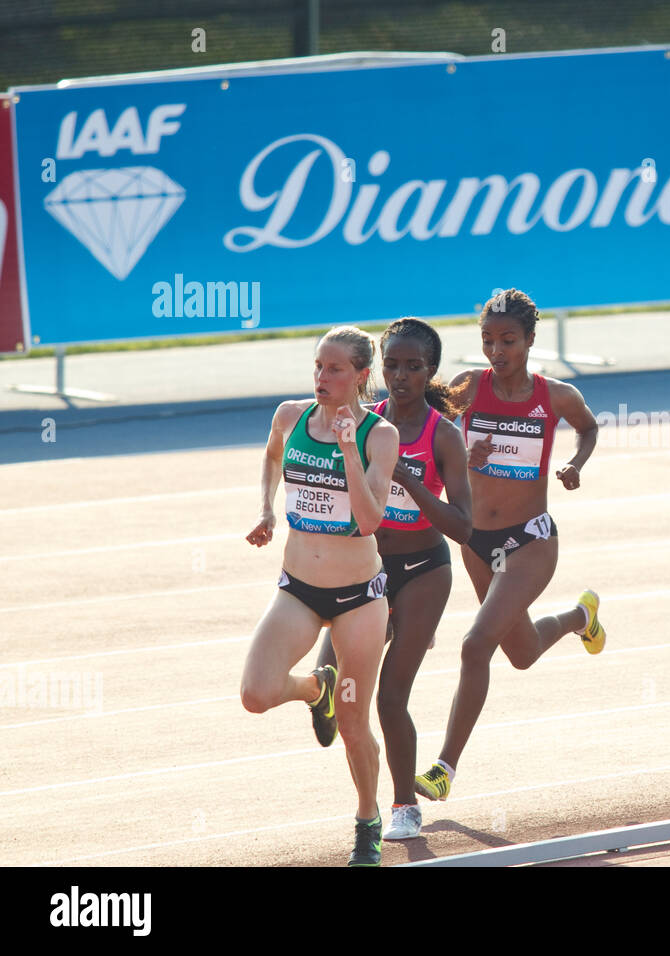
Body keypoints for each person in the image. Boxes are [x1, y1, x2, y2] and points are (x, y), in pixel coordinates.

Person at [412, 289, 603, 802]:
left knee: (476, 645)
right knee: (520, 654)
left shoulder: (557, 395)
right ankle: (580, 618)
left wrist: (574, 465)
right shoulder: (468, 387)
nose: (497, 351)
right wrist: (467, 448)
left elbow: (588, 429)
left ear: (530, 341)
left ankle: (443, 768)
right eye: (488, 340)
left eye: (508, 341)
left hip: (530, 540)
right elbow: (433, 434)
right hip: (476, 540)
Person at [241, 326, 400, 866]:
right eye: (317, 366)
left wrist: (349, 446)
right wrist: (266, 508)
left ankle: (367, 820)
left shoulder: (380, 435)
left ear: (361, 376)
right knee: (255, 694)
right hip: (299, 591)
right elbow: (269, 457)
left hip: (359, 599)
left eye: (334, 369)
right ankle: (315, 688)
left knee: (355, 727)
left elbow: (370, 518)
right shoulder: (290, 417)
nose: (321, 378)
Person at [311, 318, 473, 841]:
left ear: (430, 372)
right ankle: (328, 704)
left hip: (426, 570)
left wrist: (412, 484)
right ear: (378, 368)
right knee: (328, 688)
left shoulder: (443, 435)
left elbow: (464, 527)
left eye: (413, 367)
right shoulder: (365, 422)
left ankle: (404, 805)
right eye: (393, 365)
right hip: (369, 570)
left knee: (390, 697)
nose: (401, 376)